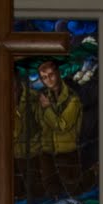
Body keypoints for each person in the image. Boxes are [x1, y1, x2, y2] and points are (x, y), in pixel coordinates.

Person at [32, 59, 82, 196]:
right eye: (44, 77)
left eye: (51, 75)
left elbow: (62, 126)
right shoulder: (42, 98)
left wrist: (47, 108)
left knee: (72, 191)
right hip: (46, 153)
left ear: (58, 73)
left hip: (67, 152)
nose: (48, 80)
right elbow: (39, 124)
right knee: (50, 193)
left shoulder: (73, 99)